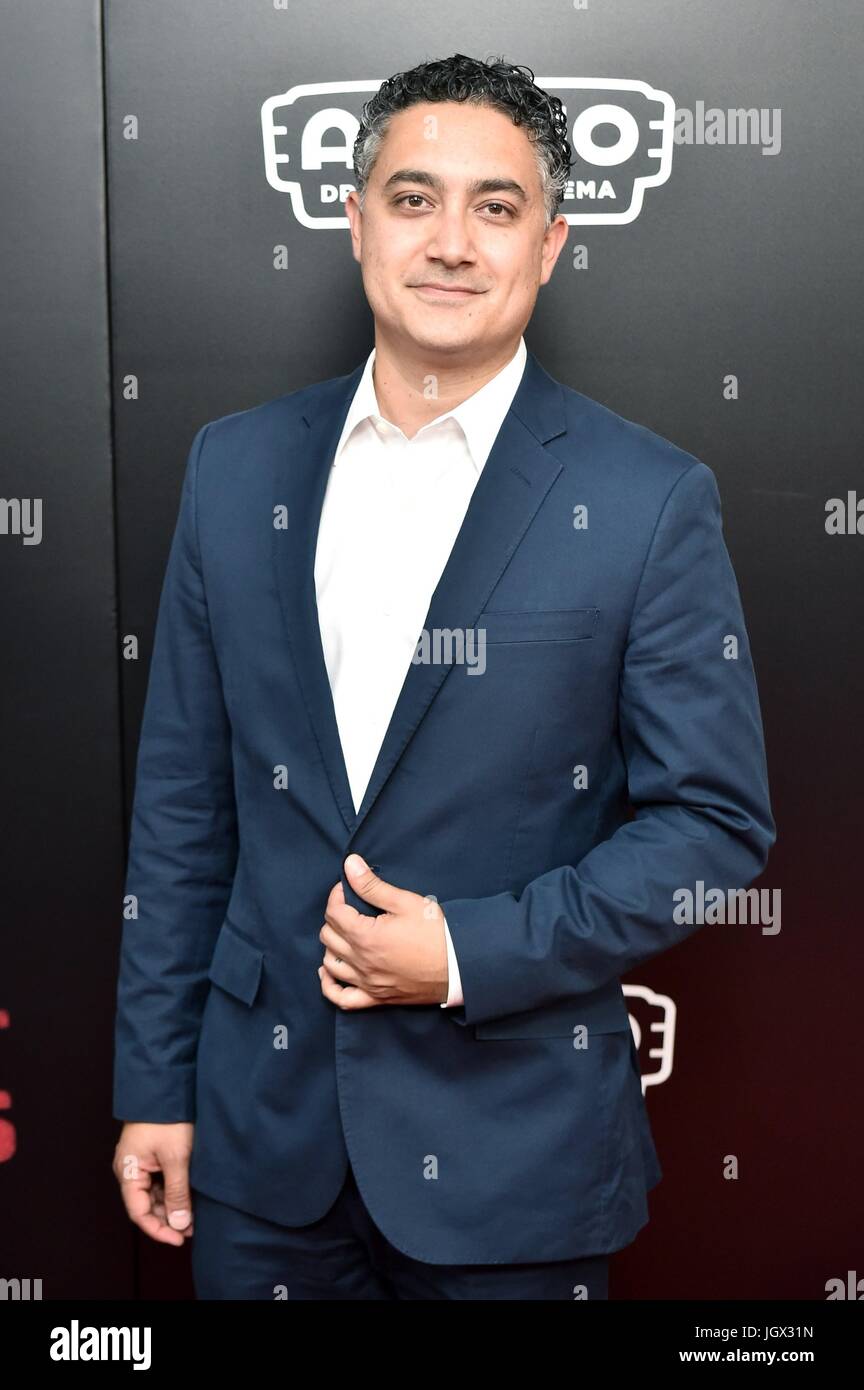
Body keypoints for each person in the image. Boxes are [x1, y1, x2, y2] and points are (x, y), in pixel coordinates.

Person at [111, 53, 775, 1300]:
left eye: (497, 205)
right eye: (413, 199)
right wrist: (156, 1084)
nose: (452, 242)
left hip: (514, 1169)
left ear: (552, 241)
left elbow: (714, 823)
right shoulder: (234, 468)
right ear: (355, 221)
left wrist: (467, 951)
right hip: (262, 1155)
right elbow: (185, 810)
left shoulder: (646, 500)